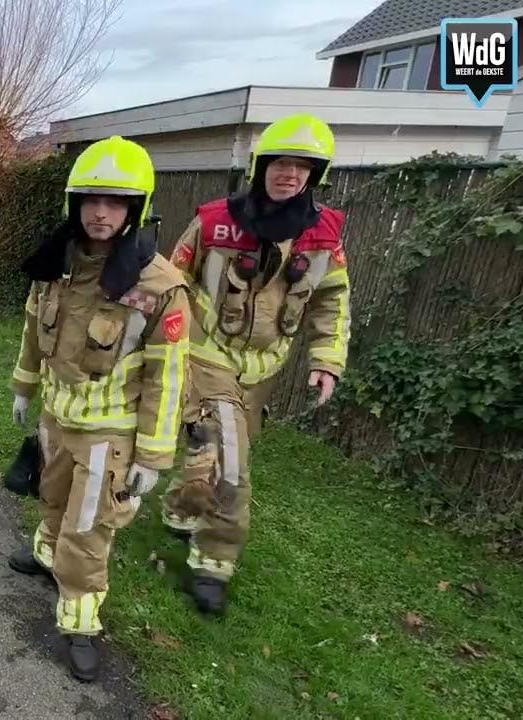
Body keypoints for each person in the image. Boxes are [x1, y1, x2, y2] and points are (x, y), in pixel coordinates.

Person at [6, 136, 190, 682]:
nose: (101, 212)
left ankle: (80, 620)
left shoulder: (158, 286)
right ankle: (45, 556)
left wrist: (153, 457)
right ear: (75, 204)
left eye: (115, 202)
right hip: (56, 421)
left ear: (135, 209)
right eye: (91, 200)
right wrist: (24, 385)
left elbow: (168, 376)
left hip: (107, 433)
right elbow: (32, 332)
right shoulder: (56, 262)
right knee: (52, 497)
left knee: (87, 526)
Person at [160, 112, 351, 616]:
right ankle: (212, 564)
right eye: (279, 163)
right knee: (232, 468)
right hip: (207, 358)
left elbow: (332, 301)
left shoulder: (324, 236)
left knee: (214, 454)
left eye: (301, 166)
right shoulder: (213, 220)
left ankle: (181, 512)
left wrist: (327, 359)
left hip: (263, 372)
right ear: (259, 166)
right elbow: (171, 278)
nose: (289, 174)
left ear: (315, 175)